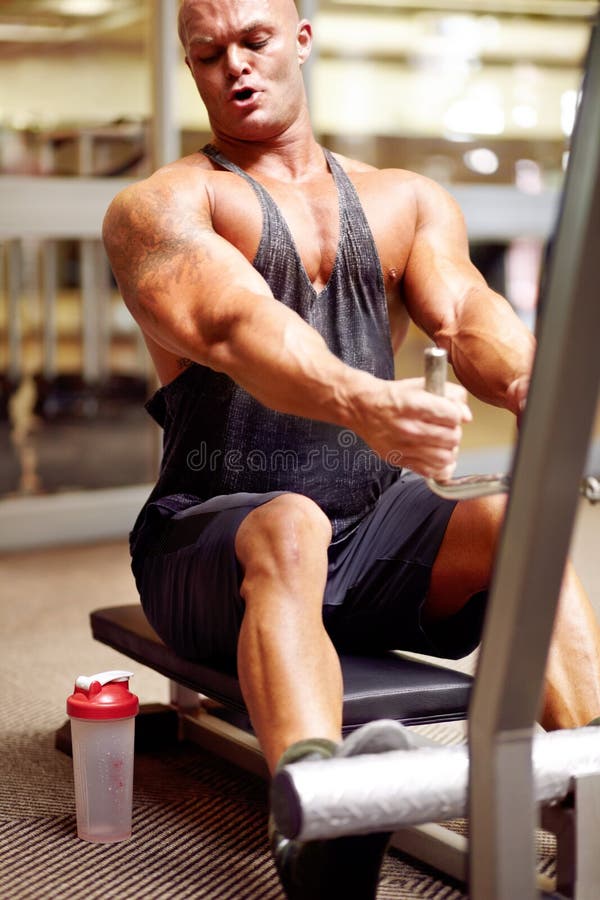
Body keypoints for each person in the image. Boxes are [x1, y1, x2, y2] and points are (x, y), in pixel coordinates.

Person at [102, 1, 600, 896]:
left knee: (525, 522)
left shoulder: (403, 199)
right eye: (208, 54)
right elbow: (236, 322)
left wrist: (535, 385)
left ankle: (589, 796)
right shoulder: (164, 206)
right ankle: (319, 823)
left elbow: (466, 312)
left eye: (254, 42)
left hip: (370, 532)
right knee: (288, 524)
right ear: (191, 65)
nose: (235, 69)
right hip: (212, 538)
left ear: (300, 39)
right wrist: (361, 400)